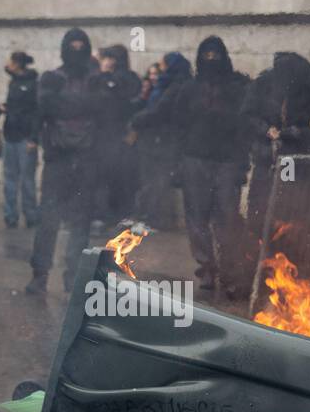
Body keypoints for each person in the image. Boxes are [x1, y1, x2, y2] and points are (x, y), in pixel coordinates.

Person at [239, 51, 310, 281]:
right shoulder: (264, 83)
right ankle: (260, 270)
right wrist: (266, 129)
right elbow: (245, 117)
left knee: (293, 215)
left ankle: (293, 272)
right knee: (258, 215)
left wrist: (303, 134)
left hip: (297, 161)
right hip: (267, 158)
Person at [170, 35, 250, 297]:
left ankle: (229, 270)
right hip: (195, 160)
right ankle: (206, 268)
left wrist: (241, 164)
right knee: (197, 217)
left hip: (227, 160)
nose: (212, 60)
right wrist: (178, 165)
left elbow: (244, 128)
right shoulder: (188, 90)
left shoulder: (238, 88)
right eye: (207, 56)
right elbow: (178, 127)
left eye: (216, 55)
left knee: (227, 216)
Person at [26, 27, 101, 296]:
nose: (77, 51)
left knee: (79, 224)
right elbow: (45, 109)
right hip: (58, 159)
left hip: (85, 159)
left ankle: (73, 277)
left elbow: (105, 110)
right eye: (74, 45)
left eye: (82, 46)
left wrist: (65, 103)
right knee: (49, 220)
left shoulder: (93, 80)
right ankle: (40, 274)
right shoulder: (52, 79)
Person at [129, 50, 191, 229]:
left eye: (163, 64)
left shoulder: (174, 86)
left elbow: (159, 111)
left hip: (162, 141)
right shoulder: (169, 84)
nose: (161, 68)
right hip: (158, 141)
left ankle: (156, 220)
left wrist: (137, 120)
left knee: (157, 181)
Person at [90, 43, 141, 234]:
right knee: (109, 180)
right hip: (108, 136)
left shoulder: (121, 80)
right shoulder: (106, 78)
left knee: (112, 179)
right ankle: (111, 216)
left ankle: (109, 216)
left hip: (115, 137)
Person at [0, 51, 39, 229]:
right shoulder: (13, 82)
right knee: (10, 177)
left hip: (25, 137)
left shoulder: (32, 84)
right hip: (10, 135)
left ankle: (30, 214)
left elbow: (36, 112)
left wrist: (33, 138)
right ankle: (10, 215)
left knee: (27, 179)